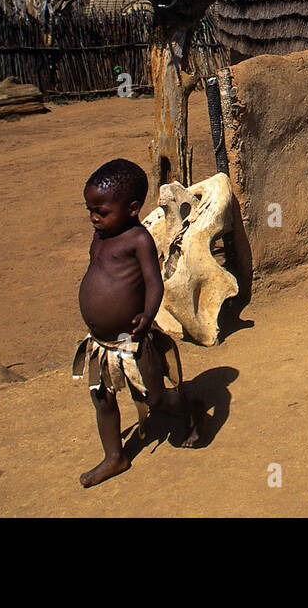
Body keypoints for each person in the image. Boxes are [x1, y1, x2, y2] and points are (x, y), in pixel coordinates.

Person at [74, 158, 201, 487]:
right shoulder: (100, 236)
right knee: (102, 399)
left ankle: (190, 409)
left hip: (132, 339)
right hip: (100, 344)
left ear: (132, 209)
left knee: (154, 397)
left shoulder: (137, 240)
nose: (94, 218)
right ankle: (114, 457)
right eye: (90, 210)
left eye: (102, 211)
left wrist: (147, 315)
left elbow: (154, 283)